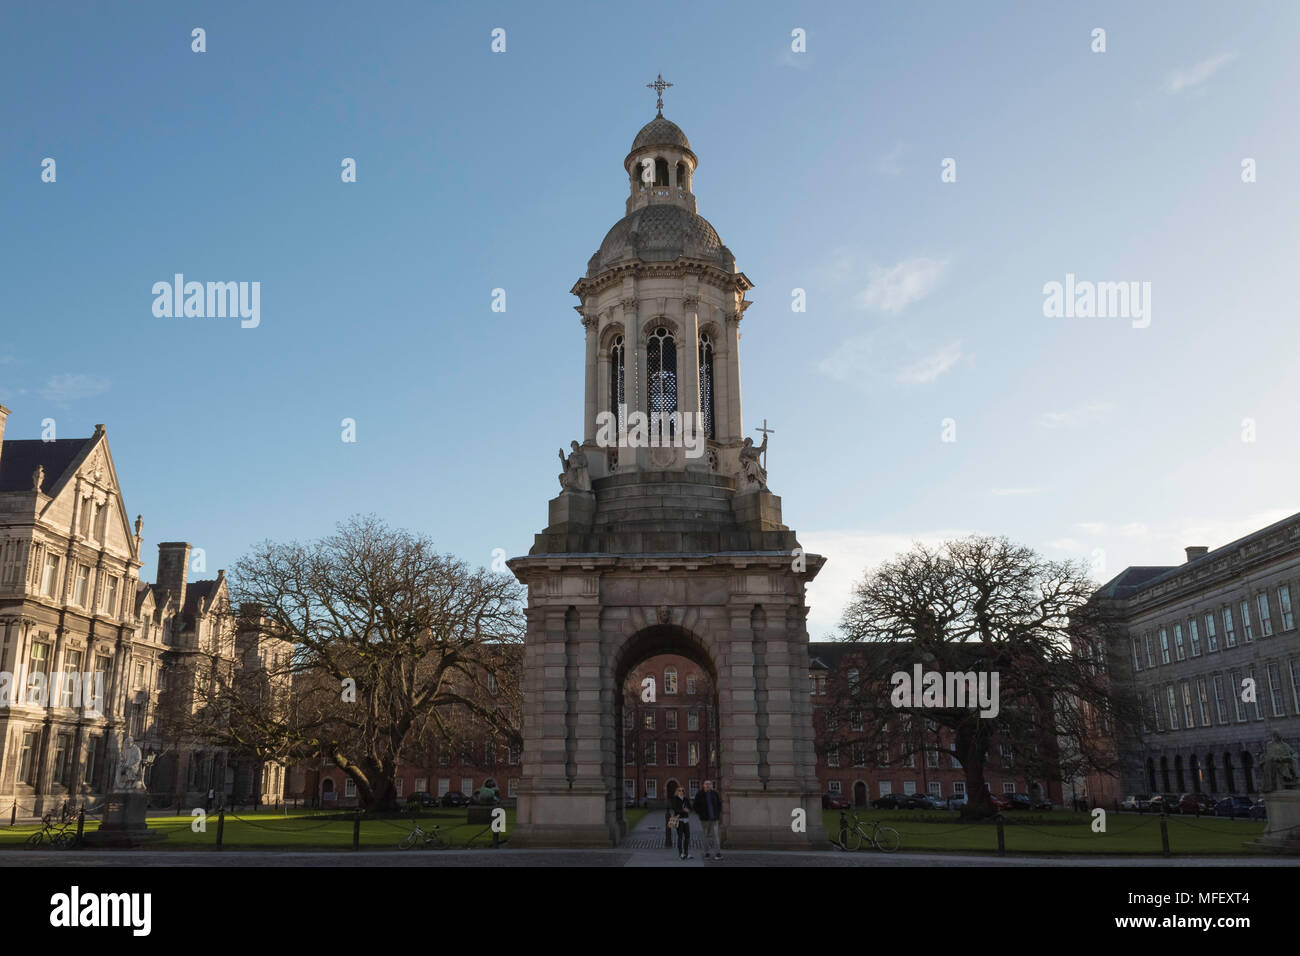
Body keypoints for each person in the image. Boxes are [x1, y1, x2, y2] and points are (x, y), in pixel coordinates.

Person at [695, 779, 723, 861]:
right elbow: (695, 806)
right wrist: (701, 813)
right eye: (706, 784)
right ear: (703, 785)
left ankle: (718, 853)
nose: (708, 785)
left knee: (715, 836)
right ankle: (706, 853)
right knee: (705, 836)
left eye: (709, 784)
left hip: (714, 819)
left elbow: (719, 804)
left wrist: (717, 814)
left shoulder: (715, 793)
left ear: (711, 785)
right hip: (705, 819)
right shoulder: (699, 794)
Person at [668, 784, 693, 860]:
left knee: (688, 837)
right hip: (679, 820)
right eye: (679, 790)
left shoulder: (686, 799)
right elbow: (675, 809)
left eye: (682, 790)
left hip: (686, 820)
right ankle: (680, 854)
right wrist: (684, 810)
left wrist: (688, 810)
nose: (681, 791)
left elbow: (690, 808)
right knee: (680, 837)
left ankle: (686, 853)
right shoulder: (674, 799)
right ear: (677, 791)